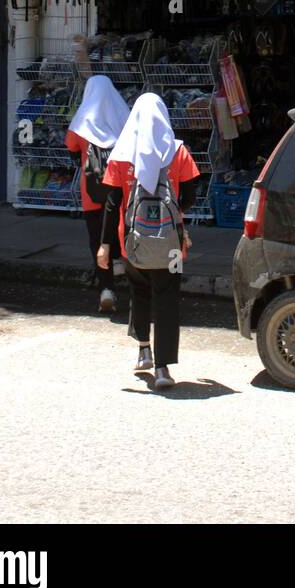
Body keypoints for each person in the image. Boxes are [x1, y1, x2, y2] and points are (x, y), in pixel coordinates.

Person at [97, 93, 200, 391]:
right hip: (171, 245)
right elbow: (190, 197)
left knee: (139, 292)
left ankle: (144, 350)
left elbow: (111, 203)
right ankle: (163, 368)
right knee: (167, 299)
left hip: (131, 242)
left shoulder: (121, 154)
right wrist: (173, 218)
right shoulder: (179, 152)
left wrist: (105, 245)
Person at [65, 74, 130, 313]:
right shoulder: (124, 118)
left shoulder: (81, 123)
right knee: (121, 235)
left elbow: (71, 148)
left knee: (97, 240)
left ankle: (106, 288)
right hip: (120, 191)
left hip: (91, 193)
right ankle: (133, 283)